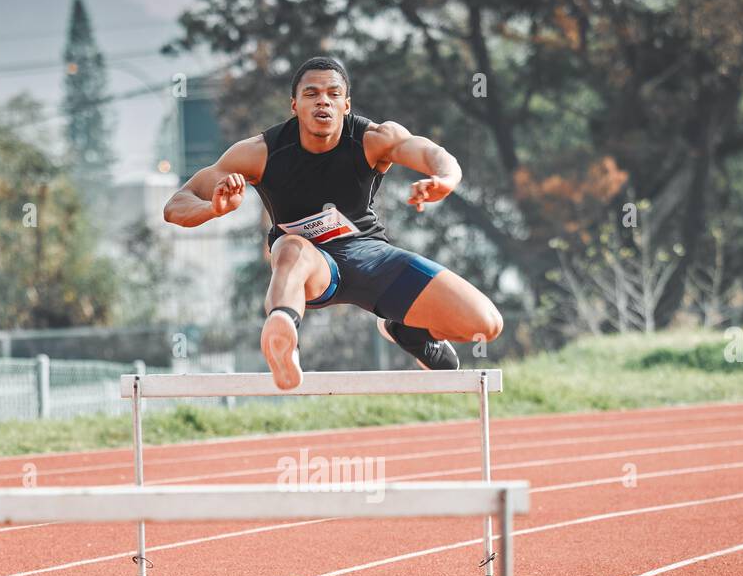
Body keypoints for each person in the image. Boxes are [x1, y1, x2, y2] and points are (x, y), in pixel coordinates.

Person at [162, 55, 503, 390]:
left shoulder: (373, 138)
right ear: (294, 105)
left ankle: (408, 331)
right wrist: (214, 210)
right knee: (291, 247)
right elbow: (176, 205)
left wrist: (446, 178)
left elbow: (429, 151)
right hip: (311, 267)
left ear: (346, 104)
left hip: (371, 258)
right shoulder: (259, 152)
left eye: (333, 93)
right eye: (311, 94)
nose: (322, 101)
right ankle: (283, 337)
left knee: (485, 325)